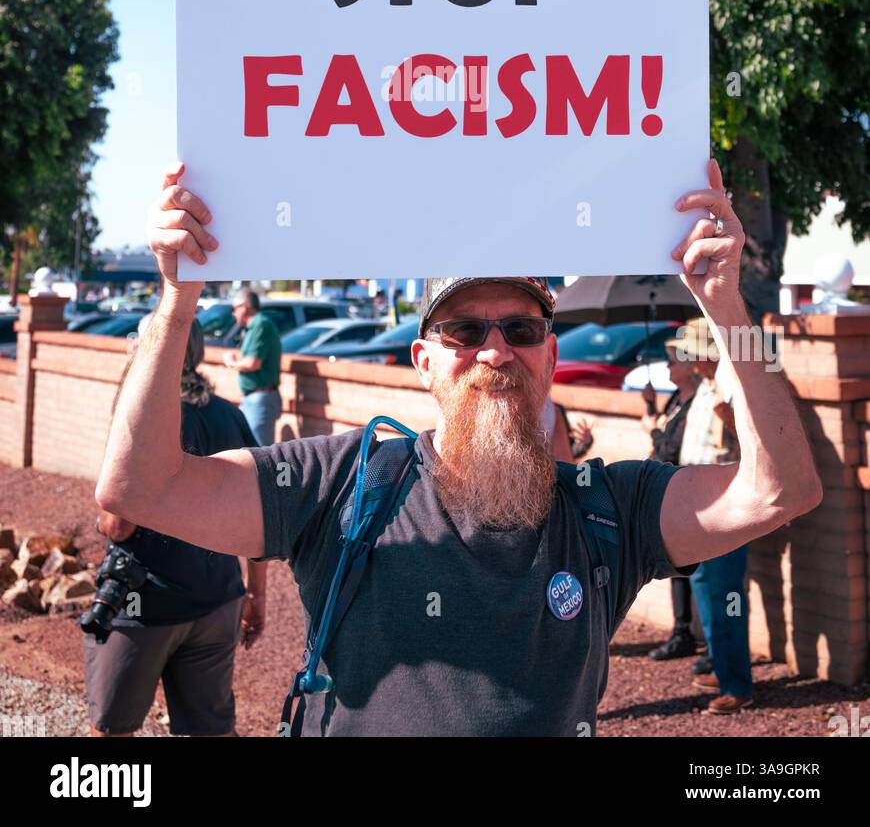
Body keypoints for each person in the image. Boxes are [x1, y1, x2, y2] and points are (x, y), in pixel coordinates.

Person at [95, 158, 821, 737]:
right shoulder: (343, 482)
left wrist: (729, 308)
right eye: (466, 332)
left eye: (522, 329)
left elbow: (781, 490)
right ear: (423, 362)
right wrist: (175, 301)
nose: (495, 352)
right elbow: (140, 490)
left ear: (549, 353)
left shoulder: (609, 512)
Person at [85, 316, 266, 738]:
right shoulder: (230, 415)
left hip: (147, 605)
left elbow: (119, 525)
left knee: (112, 731)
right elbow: (262, 512)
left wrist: (103, 519)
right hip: (219, 600)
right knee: (212, 732)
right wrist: (256, 593)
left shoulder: (144, 417)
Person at [676, 316, 754, 715]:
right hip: (701, 498)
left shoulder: (731, 386)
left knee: (723, 593)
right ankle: (724, 668)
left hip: (721, 500)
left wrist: (731, 418)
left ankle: (735, 683)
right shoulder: (709, 386)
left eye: (698, 356)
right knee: (709, 588)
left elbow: (756, 443)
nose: (693, 364)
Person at [640, 342, 700, 661]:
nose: (667, 367)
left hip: (687, 497)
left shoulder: (697, 406)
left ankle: (687, 633)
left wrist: (651, 431)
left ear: (690, 367)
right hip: (669, 495)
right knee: (678, 565)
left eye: (672, 362)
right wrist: (651, 407)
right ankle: (683, 631)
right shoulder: (676, 400)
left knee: (690, 566)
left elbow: (671, 451)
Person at [224, 289, 283, 446]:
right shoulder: (254, 326)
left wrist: (231, 363)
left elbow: (252, 363)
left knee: (260, 454)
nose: (233, 314)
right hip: (254, 398)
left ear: (244, 306)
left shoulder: (260, 324)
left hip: (260, 399)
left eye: (233, 309)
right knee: (250, 452)